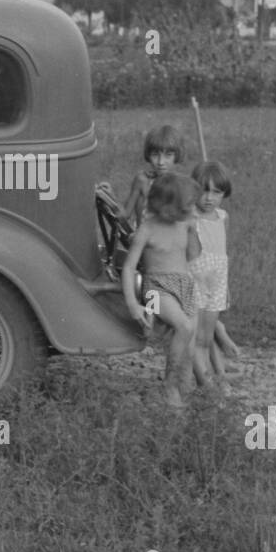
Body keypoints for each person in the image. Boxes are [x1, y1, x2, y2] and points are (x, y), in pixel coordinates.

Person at [122, 172, 201, 408]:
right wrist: (133, 305)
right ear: (166, 208)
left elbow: (193, 255)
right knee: (184, 327)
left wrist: (193, 230)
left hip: (184, 284)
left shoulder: (184, 224)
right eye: (187, 207)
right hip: (156, 289)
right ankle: (169, 386)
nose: (191, 210)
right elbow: (128, 268)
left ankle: (184, 391)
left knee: (189, 341)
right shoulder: (147, 229)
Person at [189, 161, 239, 388]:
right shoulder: (190, 216)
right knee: (196, 337)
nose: (208, 198)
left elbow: (223, 252)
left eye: (216, 192)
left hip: (217, 282)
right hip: (195, 282)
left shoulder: (223, 217)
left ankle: (208, 377)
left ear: (224, 194)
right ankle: (204, 382)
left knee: (207, 338)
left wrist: (225, 286)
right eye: (203, 191)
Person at [117, 124, 185, 228]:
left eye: (168, 155)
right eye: (155, 155)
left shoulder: (181, 184)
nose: (161, 162)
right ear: (148, 155)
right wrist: (109, 195)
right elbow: (125, 215)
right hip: (144, 240)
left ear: (177, 155)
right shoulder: (142, 180)